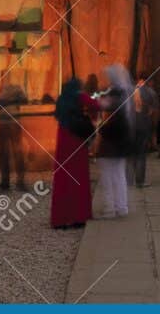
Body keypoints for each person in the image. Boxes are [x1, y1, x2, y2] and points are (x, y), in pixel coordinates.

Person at [50, 78, 94, 229]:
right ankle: (78, 216)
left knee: (63, 180)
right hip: (76, 141)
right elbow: (96, 104)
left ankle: (60, 219)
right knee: (79, 178)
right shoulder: (79, 97)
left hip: (63, 139)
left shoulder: (62, 99)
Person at [94, 63, 135, 218]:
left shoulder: (116, 95)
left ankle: (110, 208)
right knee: (119, 175)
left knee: (107, 176)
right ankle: (121, 207)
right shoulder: (125, 94)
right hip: (121, 140)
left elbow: (103, 107)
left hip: (111, 141)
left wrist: (100, 128)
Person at [127, 77, 156, 189]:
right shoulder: (149, 92)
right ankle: (140, 181)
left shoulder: (127, 92)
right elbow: (152, 110)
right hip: (143, 124)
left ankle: (129, 180)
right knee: (141, 154)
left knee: (131, 154)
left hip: (131, 125)